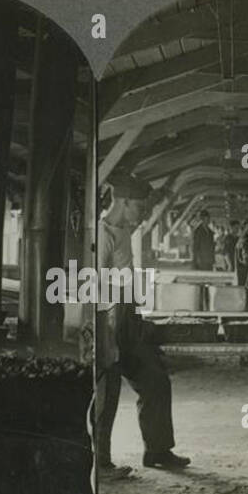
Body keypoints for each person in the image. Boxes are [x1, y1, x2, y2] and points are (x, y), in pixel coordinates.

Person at [91, 174, 190, 476]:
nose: (143, 213)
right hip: (108, 322)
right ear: (121, 202)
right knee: (105, 398)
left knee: (156, 380)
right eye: (138, 207)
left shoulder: (124, 231)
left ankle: (158, 451)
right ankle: (100, 464)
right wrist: (107, 337)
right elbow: (97, 289)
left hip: (128, 320)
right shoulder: (101, 234)